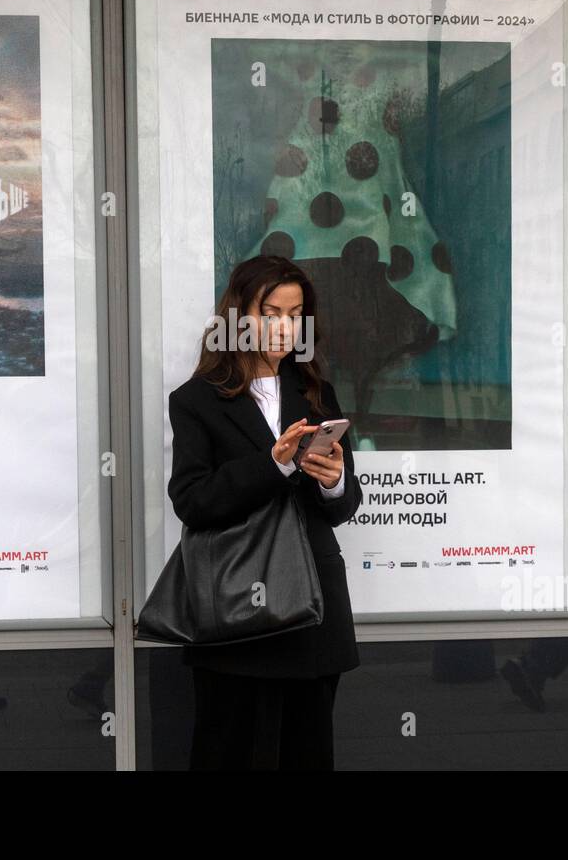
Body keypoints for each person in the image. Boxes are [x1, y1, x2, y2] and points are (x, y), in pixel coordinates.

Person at [165, 255, 362, 770]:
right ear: (237, 316)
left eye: (295, 314)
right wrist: (271, 467)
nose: (283, 327)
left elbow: (344, 506)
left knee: (308, 754)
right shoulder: (196, 401)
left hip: (312, 608)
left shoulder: (318, 393)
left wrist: (334, 480)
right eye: (270, 312)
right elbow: (191, 500)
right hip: (236, 608)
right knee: (227, 752)